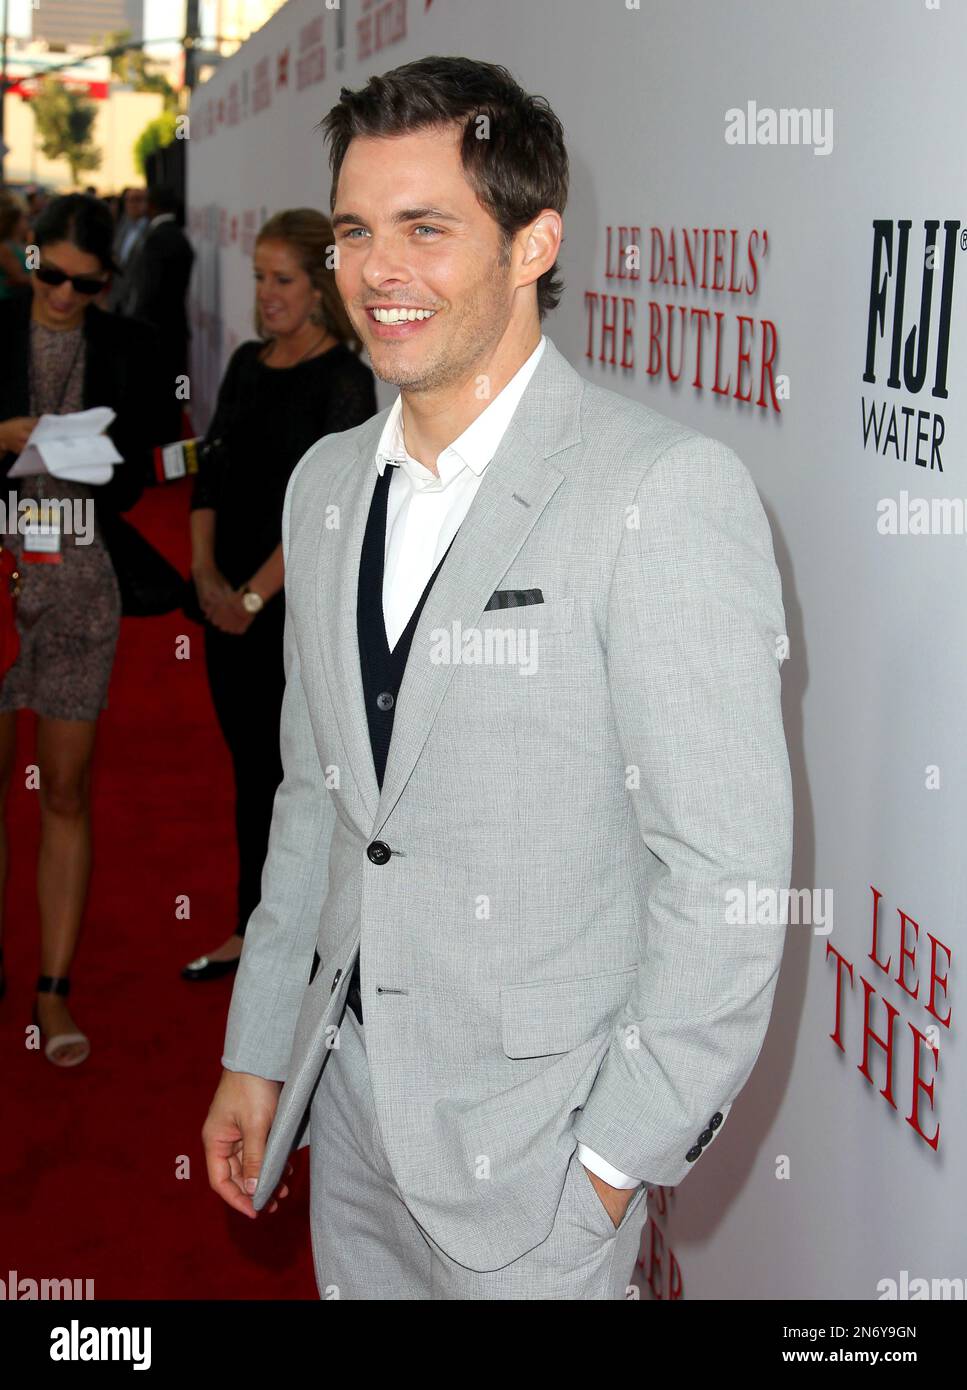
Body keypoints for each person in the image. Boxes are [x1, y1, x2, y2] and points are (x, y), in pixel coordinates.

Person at [202, 56, 793, 1300]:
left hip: (542, 1164)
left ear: (533, 243)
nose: (378, 270)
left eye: (428, 228)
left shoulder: (658, 494)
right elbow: (315, 801)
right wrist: (261, 1050)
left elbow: (726, 879)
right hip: (351, 1113)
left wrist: (609, 1163)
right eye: (357, 230)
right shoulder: (321, 490)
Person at [181, 209, 377, 983]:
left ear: (322, 286)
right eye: (260, 278)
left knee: (294, 777)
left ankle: (302, 945)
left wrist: (254, 600)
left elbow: (330, 513)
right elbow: (210, 476)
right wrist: (203, 575)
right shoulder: (244, 364)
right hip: (222, 608)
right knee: (247, 770)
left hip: (289, 618)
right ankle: (251, 929)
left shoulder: (344, 384)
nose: (266, 295)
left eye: (283, 280)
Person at [0, 193, 162, 1066]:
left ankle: (53, 992)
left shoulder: (131, 347)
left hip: (80, 587)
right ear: (30, 256)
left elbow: (139, 473)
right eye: (51, 275)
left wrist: (91, 458)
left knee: (65, 791)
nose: (64, 297)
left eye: (86, 285)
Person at [123, 185, 195, 441]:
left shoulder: (158, 239)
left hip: (156, 331)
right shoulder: (178, 236)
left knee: (160, 390)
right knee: (172, 391)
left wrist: (136, 327)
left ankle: (162, 440)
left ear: (151, 206)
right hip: (173, 328)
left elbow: (149, 290)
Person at [0, 191, 31, 302]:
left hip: (23, 296)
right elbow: (19, 278)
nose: (28, 222)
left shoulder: (27, 244)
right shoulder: (4, 247)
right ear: (14, 223)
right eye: (24, 219)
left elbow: (35, 267)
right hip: (8, 300)